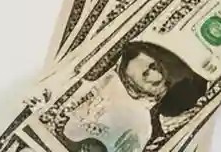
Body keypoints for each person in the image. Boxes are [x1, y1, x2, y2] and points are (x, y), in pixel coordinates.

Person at [61, 40, 208, 150]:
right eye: (147, 73)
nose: (155, 75)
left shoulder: (139, 125)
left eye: (154, 67)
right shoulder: (137, 120)